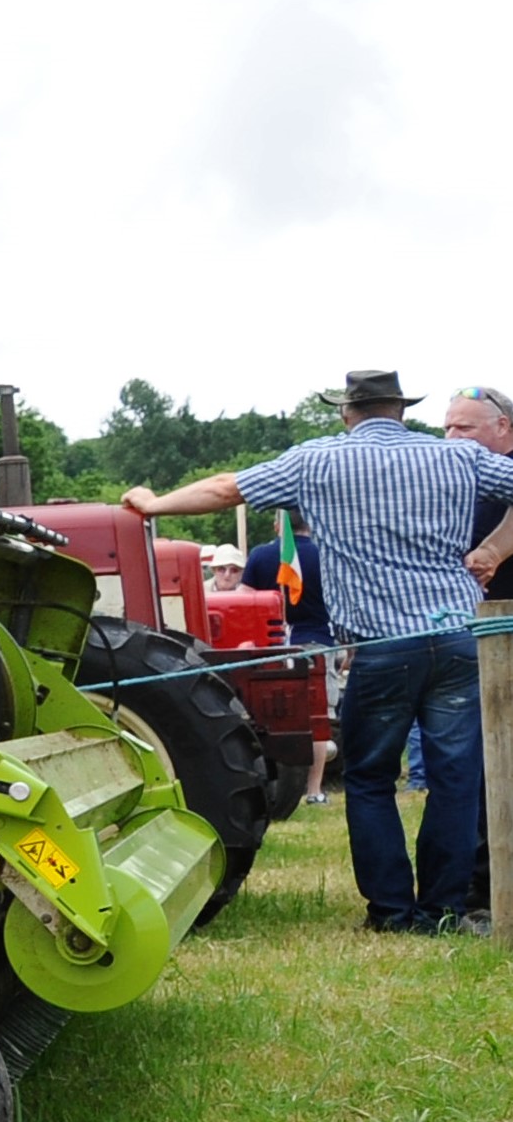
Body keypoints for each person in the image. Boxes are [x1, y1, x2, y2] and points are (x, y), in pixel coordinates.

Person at [129, 369, 513, 934]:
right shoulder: (458, 457)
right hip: (458, 636)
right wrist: (494, 549)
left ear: (346, 412)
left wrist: (153, 502)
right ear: (401, 410)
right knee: (456, 780)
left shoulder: (317, 459)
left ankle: (391, 912)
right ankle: (442, 910)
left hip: (383, 645)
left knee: (370, 778)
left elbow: (225, 488)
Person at [448, 386, 513, 603]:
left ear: (502, 426)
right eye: (447, 428)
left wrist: (492, 551)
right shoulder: (454, 475)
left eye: (464, 428)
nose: (452, 437)